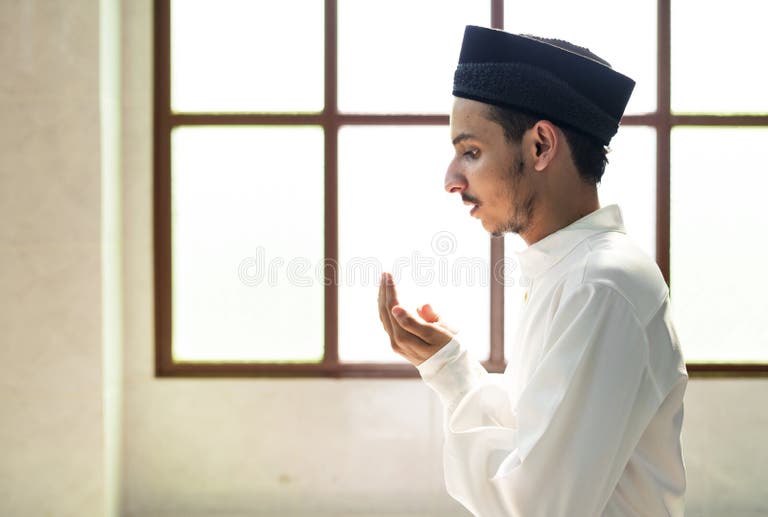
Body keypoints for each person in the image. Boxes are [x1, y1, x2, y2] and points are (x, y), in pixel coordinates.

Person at [377, 26, 687, 516]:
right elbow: (533, 439)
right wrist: (449, 367)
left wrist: (452, 373)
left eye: (471, 152)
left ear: (541, 146)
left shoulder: (601, 285)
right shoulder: (573, 273)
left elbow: (537, 505)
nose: (451, 180)